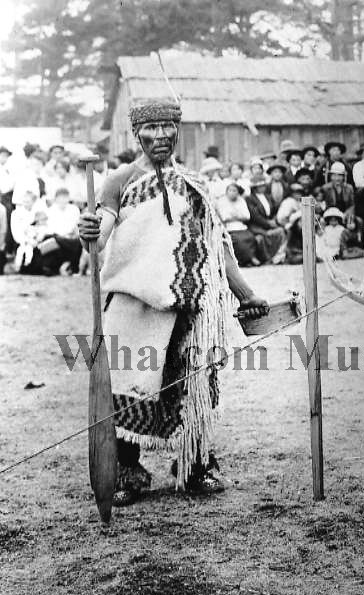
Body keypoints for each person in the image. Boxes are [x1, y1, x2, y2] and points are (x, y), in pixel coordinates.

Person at [76, 98, 268, 506]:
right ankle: (126, 471)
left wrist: (246, 293)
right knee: (127, 386)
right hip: (133, 304)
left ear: (178, 131)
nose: (160, 137)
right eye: (151, 129)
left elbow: (218, 247)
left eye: (168, 128)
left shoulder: (196, 183)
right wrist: (89, 230)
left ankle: (195, 465)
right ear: (136, 133)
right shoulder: (119, 181)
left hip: (190, 304)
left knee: (193, 385)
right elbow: (101, 234)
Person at [244, 174, 286, 265]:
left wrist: (274, 220)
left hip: (269, 223)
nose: (262, 187)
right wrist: (268, 223)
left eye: (263, 185)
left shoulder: (268, 197)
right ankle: (267, 258)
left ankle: (278, 257)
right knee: (262, 237)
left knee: (282, 231)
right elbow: (254, 216)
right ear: (255, 187)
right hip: (256, 226)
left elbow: (275, 209)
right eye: (260, 186)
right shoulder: (250, 199)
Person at [217, 182, 258, 267]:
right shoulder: (221, 201)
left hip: (241, 225)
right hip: (228, 227)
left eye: (235, 191)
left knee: (250, 238)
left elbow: (247, 216)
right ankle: (246, 260)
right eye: (230, 190)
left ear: (238, 192)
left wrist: (235, 215)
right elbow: (225, 217)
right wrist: (238, 215)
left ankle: (250, 259)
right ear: (226, 192)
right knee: (239, 241)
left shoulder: (241, 200)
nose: (232, 192)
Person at [276, 182, 306, 263]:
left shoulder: (300, 202)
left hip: (299, 225)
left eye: (300, 193)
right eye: (296, 193)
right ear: (291, 193)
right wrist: (289, 223)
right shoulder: (288, 202)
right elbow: (281, 218)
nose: (298, 195)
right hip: (288, 224)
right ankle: (287, 255)